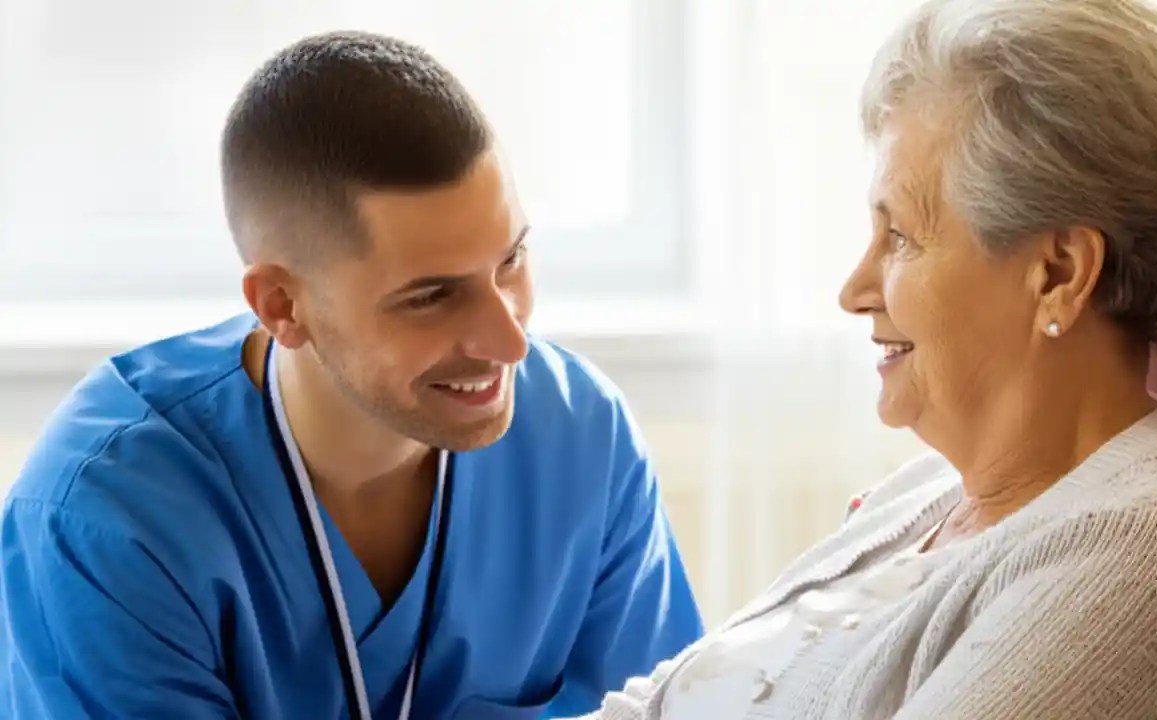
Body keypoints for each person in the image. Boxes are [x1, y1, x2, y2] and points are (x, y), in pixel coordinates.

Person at [0, 31, 702, 720]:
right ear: (283, 306)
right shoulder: (106, 519)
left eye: (511, 262)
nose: (509, 340)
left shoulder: (582, 442)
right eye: (431, 296)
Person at [574, 1, 1157, 718]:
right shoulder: (932, 492)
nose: (854, 291)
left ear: (1059, 273)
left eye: (900, 238)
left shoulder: (1149, 551)